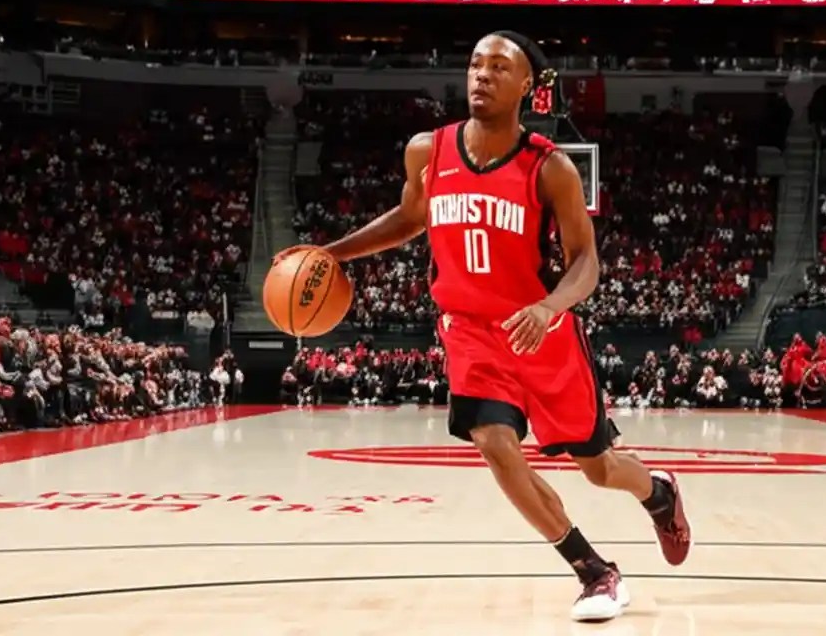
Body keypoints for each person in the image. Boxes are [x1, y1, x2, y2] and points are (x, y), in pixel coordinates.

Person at [274, 31, 690, 622]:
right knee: (495, 445)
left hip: (541, 334)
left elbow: (586, 261)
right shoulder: (428, 151)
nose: (481, 75)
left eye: (499, 66)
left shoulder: (551, 169)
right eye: (474, 63)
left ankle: (661, 493)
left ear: (527, 85)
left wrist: (550, 308)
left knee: (599, 469)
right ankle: (594, 570)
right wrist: (331, 254)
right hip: (469, 330)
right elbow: (410, 218)